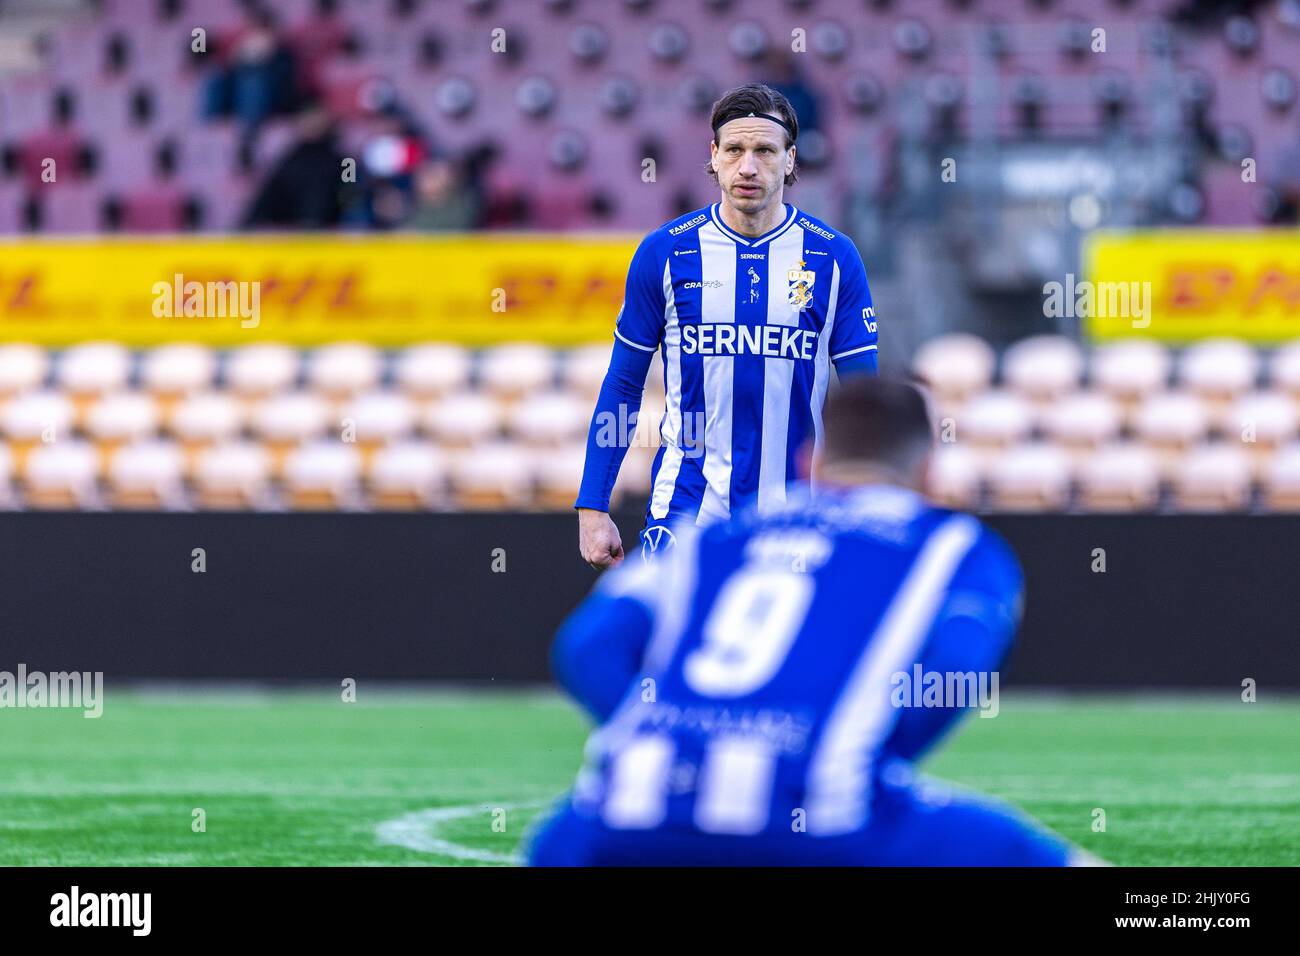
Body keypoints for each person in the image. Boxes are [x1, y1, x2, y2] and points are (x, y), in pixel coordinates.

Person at [529, 376, 1099, 866]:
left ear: (811, 462)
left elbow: (586, 647)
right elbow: (958, 663)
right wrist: (862, 758)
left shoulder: (708, 534)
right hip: (825, 822)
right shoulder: (957, 544)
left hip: (621, 818)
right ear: (928, 471)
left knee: (552, 841)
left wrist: (674, 738)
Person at [574, 83, 879, 568]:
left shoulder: (833, 256)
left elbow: (865, 397)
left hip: (797, 517)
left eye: (765, 150)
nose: (749, 166)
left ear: (791, 160)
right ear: (714, 156)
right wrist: (593, 505)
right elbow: (624, 383)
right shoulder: (666, 252)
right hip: (685, 512)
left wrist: (872, 506)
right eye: (735, 150)